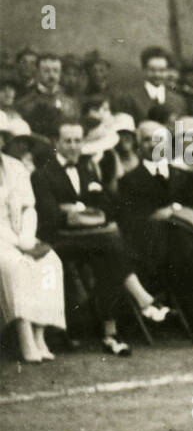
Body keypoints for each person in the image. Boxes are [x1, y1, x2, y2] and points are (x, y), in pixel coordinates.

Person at [32, 117, 173, 355]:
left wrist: (75, 209)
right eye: (68, 141)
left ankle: (111, 335)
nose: (74, 146)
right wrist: (82, 210)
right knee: (111, 240)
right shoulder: (43, 174)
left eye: (78, 140)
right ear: (57, 142)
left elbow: (109, 206)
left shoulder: (86, 170)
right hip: (58, 240)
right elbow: (50, 217)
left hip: (92, 238)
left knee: (109, 256)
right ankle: (143, 301)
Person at [115, 122, 193, 347]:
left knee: (180, 247)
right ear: (138, 145)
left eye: (159, 138)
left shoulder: (183, 176)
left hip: (187, 246)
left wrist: (172, 211)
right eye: (146, 139)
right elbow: (130, 221)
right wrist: (160, 217)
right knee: (179, 246)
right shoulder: (129, 181)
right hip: (150, 248)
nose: (153, 143)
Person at [0, 149, 65, 362]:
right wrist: (14, 241)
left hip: (19, 235)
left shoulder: (15, 166)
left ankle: (40, 335)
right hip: (2, 238)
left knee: (49, 262)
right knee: (16, 265)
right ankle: (25, 335)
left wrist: (26, 238)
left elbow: (30, 208)